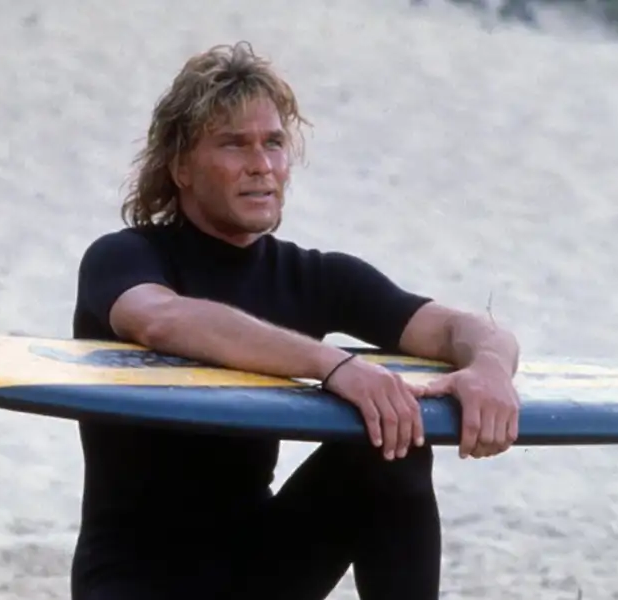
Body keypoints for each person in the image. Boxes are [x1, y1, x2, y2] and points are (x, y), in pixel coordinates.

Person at [69, 41, 521, 600]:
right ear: (180, 166)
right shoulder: (124, 257)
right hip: (135, 580)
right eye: (233, 144)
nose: (261, 165)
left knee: (395, 443)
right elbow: (161, 319)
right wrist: (336, 367)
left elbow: (462, 328)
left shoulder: (314, 277)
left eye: (274, 143)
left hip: (258, 571)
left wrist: (489, 369)